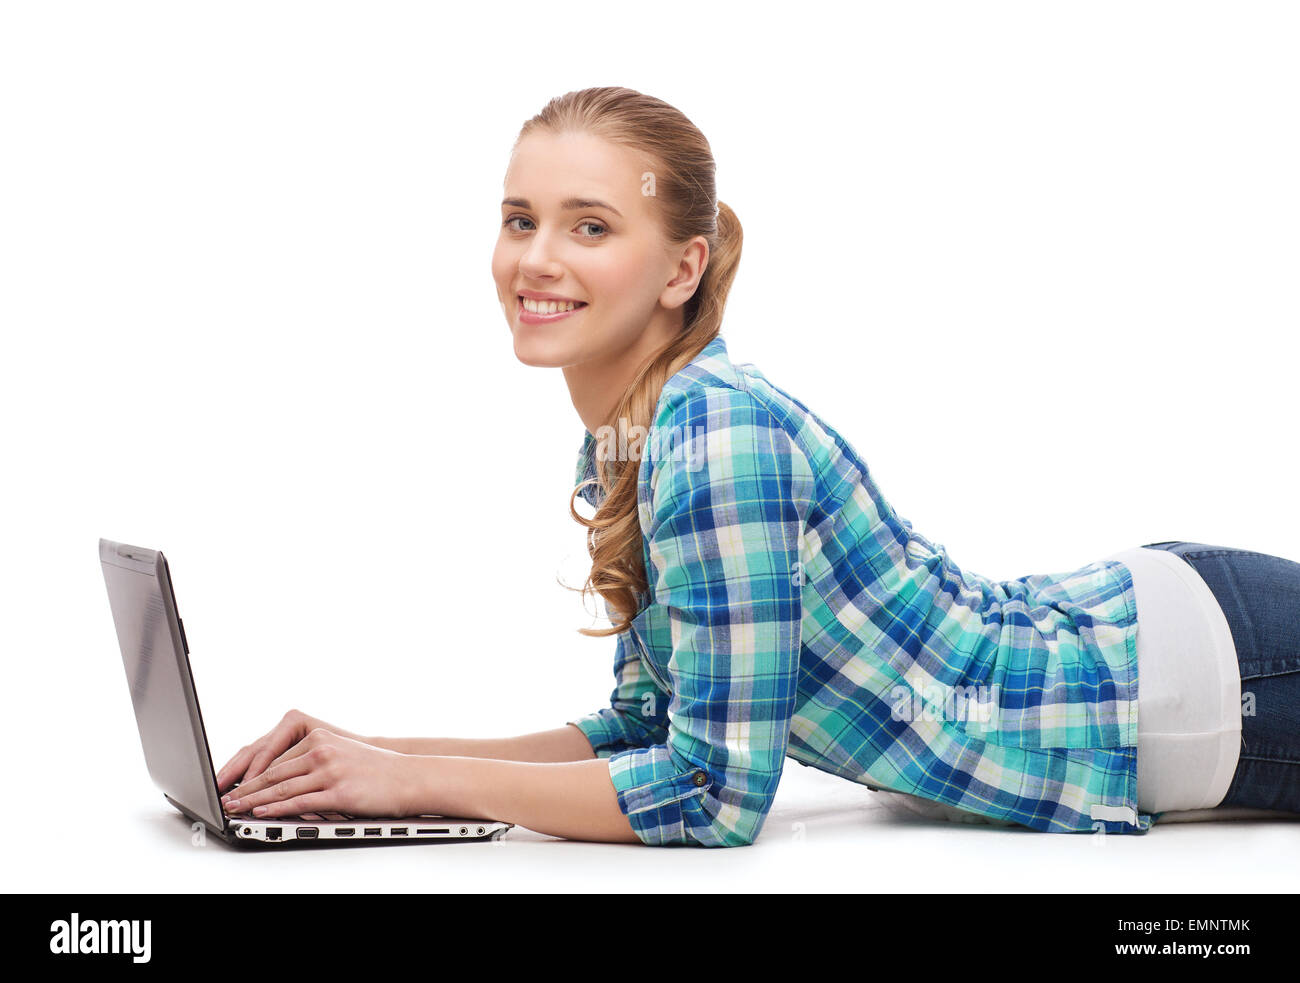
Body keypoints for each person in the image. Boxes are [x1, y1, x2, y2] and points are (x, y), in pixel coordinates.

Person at [215, 86, 1300, 847]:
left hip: (1211, 683)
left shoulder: (714, 437)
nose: (535, 258)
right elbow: (654, 727)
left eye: (588, 225)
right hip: (1171, 626)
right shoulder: (630, 442)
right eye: (519, 218)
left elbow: (713, 793)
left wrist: (412, 780)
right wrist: (374, 759)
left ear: (683, 265)